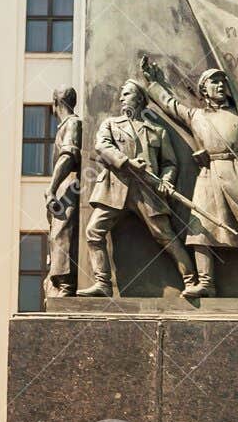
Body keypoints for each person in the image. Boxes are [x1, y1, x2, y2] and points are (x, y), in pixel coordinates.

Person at [138, 55, 238, 295]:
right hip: (209, 175)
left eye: (223, 82)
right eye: (214, 83)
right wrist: (153, 84)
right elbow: (170, 104)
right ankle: (206, 283)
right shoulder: (197, 116)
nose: (221, 86)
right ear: (204, 90)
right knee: (201, 228)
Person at [80, 79, 199, 299]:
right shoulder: (111, 124)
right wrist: (126, 161)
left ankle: (191, 281)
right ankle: (103, 283)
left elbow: (170, 163)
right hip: (116, 188)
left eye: (126, 94)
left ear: (139, 98)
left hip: (147, 191)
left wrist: (166, 180)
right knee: (93, 232)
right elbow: (102, 146)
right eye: (122, 94)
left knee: (164, 236)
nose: (121, 98)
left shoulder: (157, 131)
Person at [44, 86, 81, 298]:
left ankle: (66, 285)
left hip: (70, 185)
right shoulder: (66, 125)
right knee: (57, 233)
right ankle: (60, 282)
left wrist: (52, 188)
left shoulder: (73, 124)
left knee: (61, 232)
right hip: (65, 185)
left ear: (55, 103)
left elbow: (67, 156)